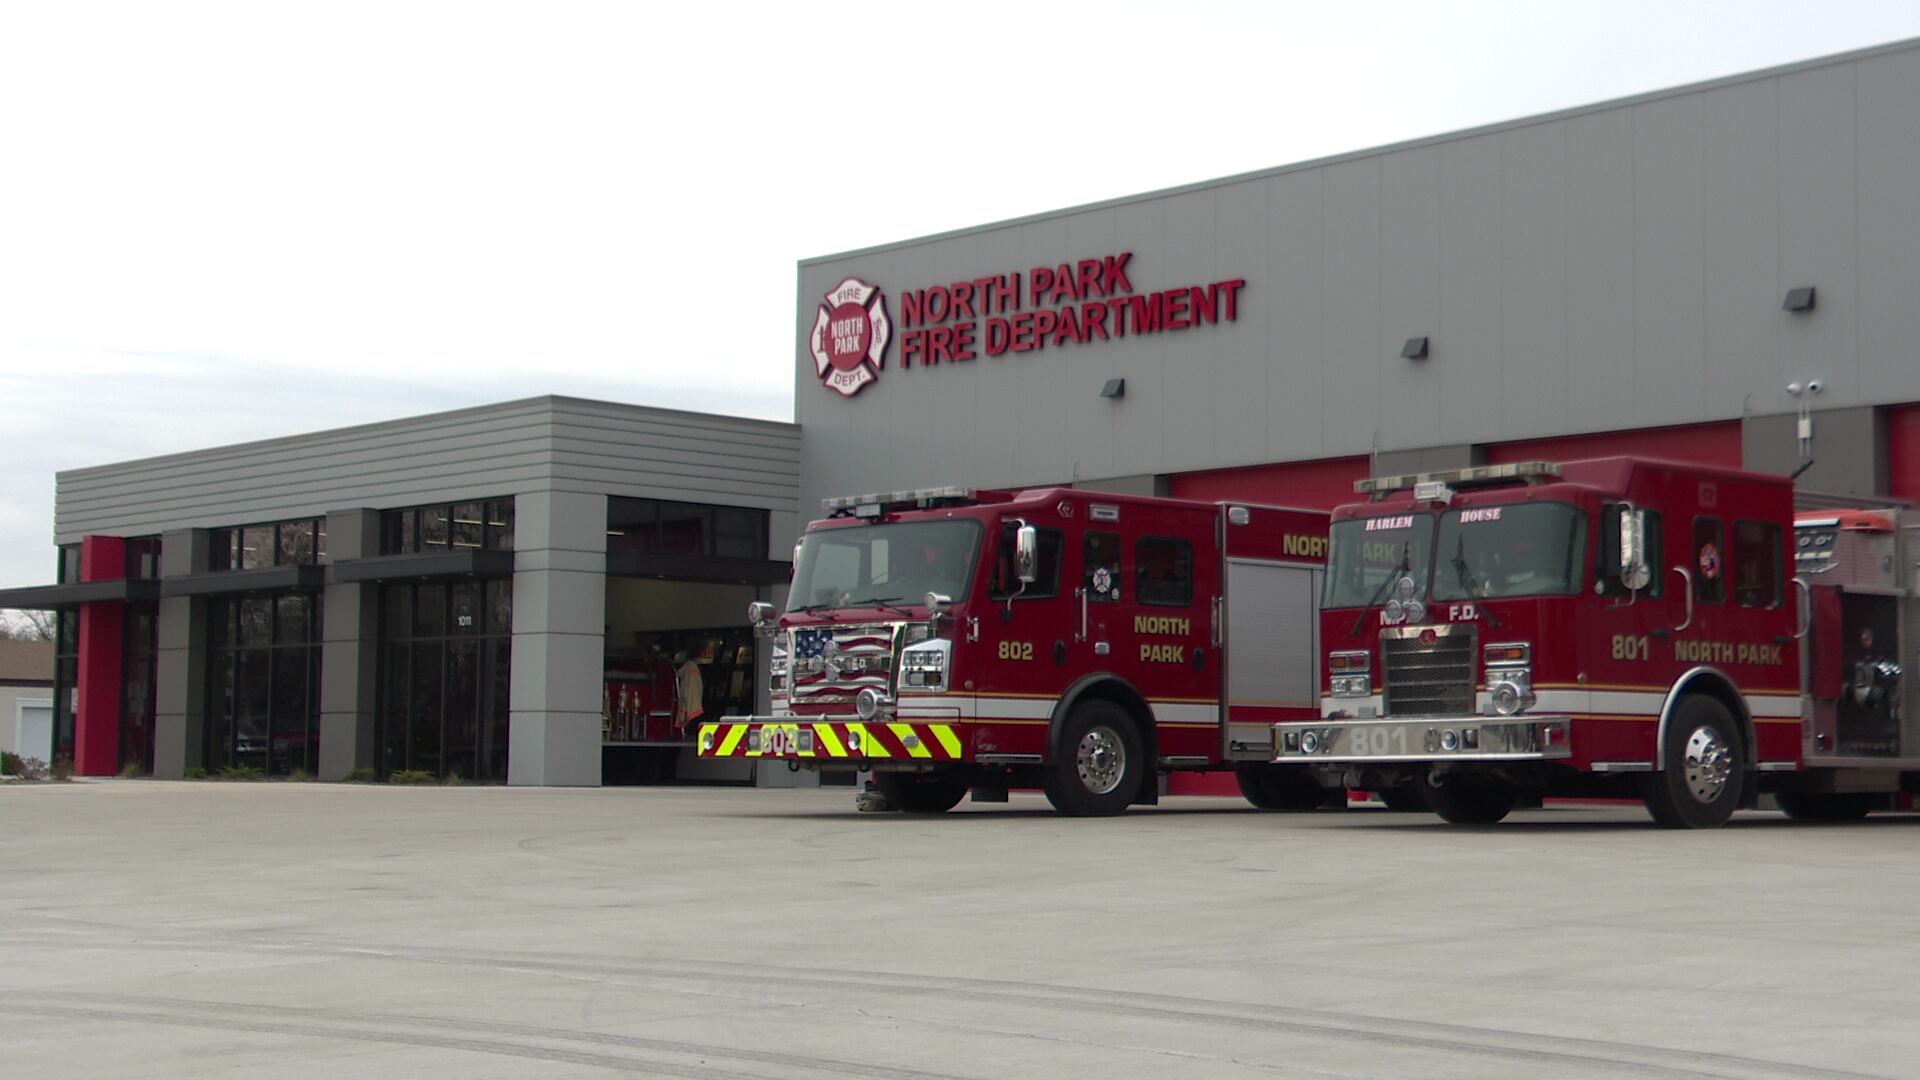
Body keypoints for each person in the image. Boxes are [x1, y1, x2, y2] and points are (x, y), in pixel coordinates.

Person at [672, 650, 704, 732]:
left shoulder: (688, 667)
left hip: (690, 705)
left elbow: (677, 675)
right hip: (695, 703)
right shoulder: (692, 667)